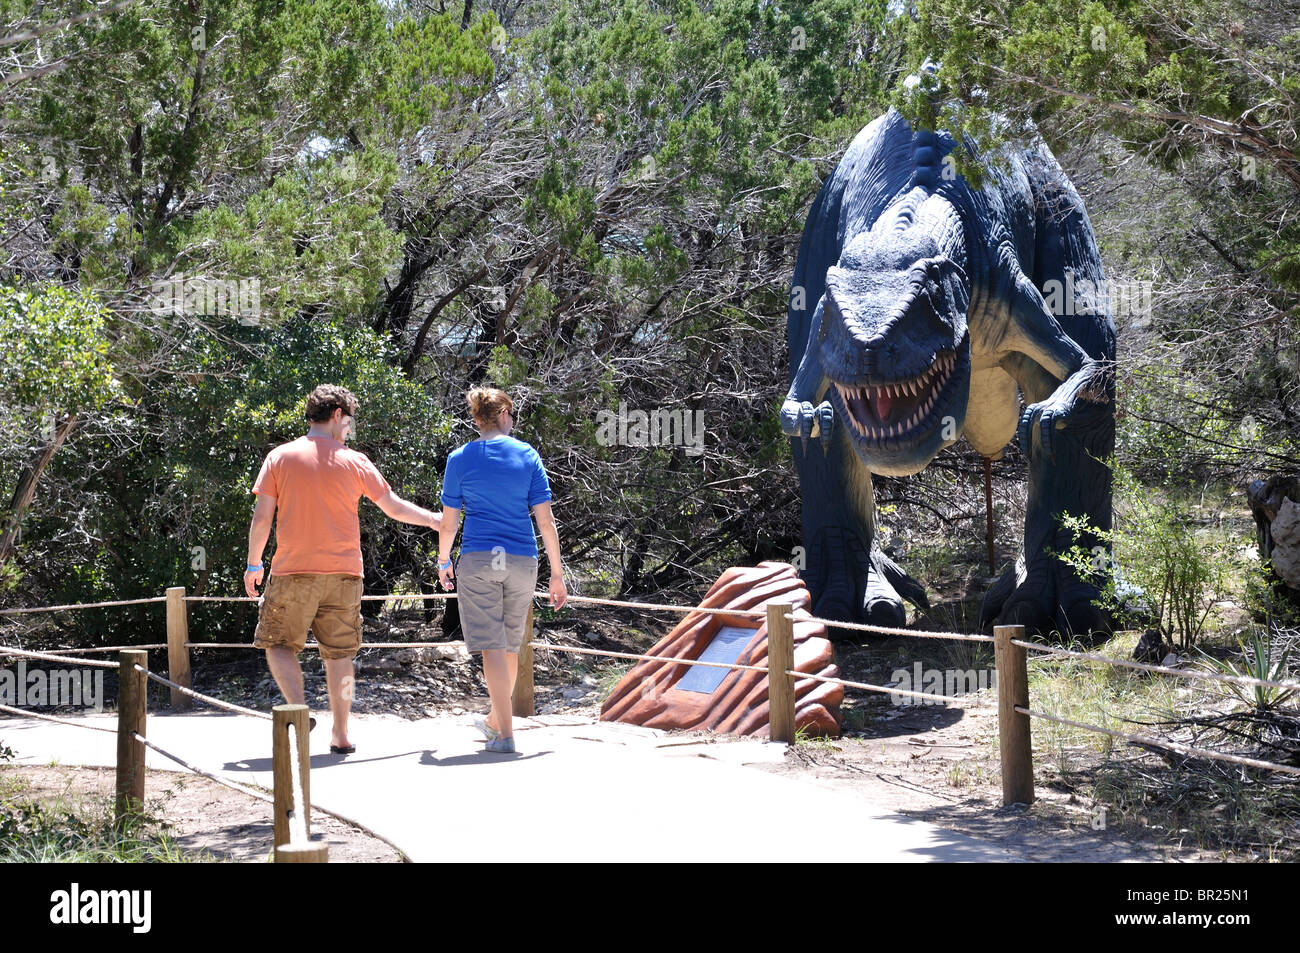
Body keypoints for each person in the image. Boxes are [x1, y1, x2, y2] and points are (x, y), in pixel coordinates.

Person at [244, 384, 441, 755]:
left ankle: (298, 711)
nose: (349, 430)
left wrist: (254, 564)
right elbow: (394, 507)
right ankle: (342, 733)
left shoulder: (280, 457)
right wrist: (433, 519)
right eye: (349, 422)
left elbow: (261, 520)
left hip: (292, 573)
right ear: (336, 415)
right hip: (346, 575)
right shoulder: (355, 461)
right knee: (341, 655)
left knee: (278, 644)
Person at [438, 387, 566, 753]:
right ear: (506, 415)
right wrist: (557, 574)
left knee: (493, 647)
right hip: (521, 559)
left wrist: (443, 559)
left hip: (480, 558)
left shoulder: (460, 458)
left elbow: (449, 523)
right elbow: (547, 522)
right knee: (509, 646)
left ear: (477, 419)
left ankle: (506, 734)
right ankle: (496, 722)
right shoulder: (527, 454)